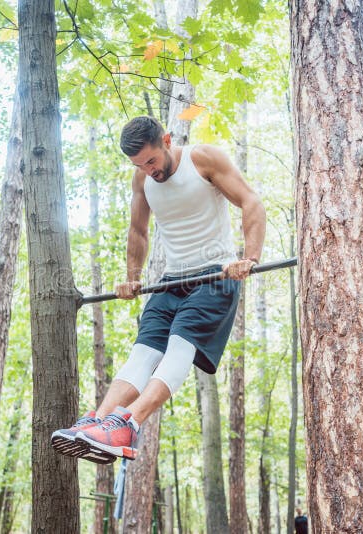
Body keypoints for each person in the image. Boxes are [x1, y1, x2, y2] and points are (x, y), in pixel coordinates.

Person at [52, 115, 266, 463]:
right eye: (140, 165)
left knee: (180, 344)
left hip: (216, 274)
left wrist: (250, 257)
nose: (149, 170)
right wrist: (132, 276)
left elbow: (250, 201)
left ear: (166, 140)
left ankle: (128, 424)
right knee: (143, 350)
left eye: (151, 160)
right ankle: (95, 423)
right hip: (172, 280)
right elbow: (138, 231)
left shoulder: (204, 159)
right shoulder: (143, 179)